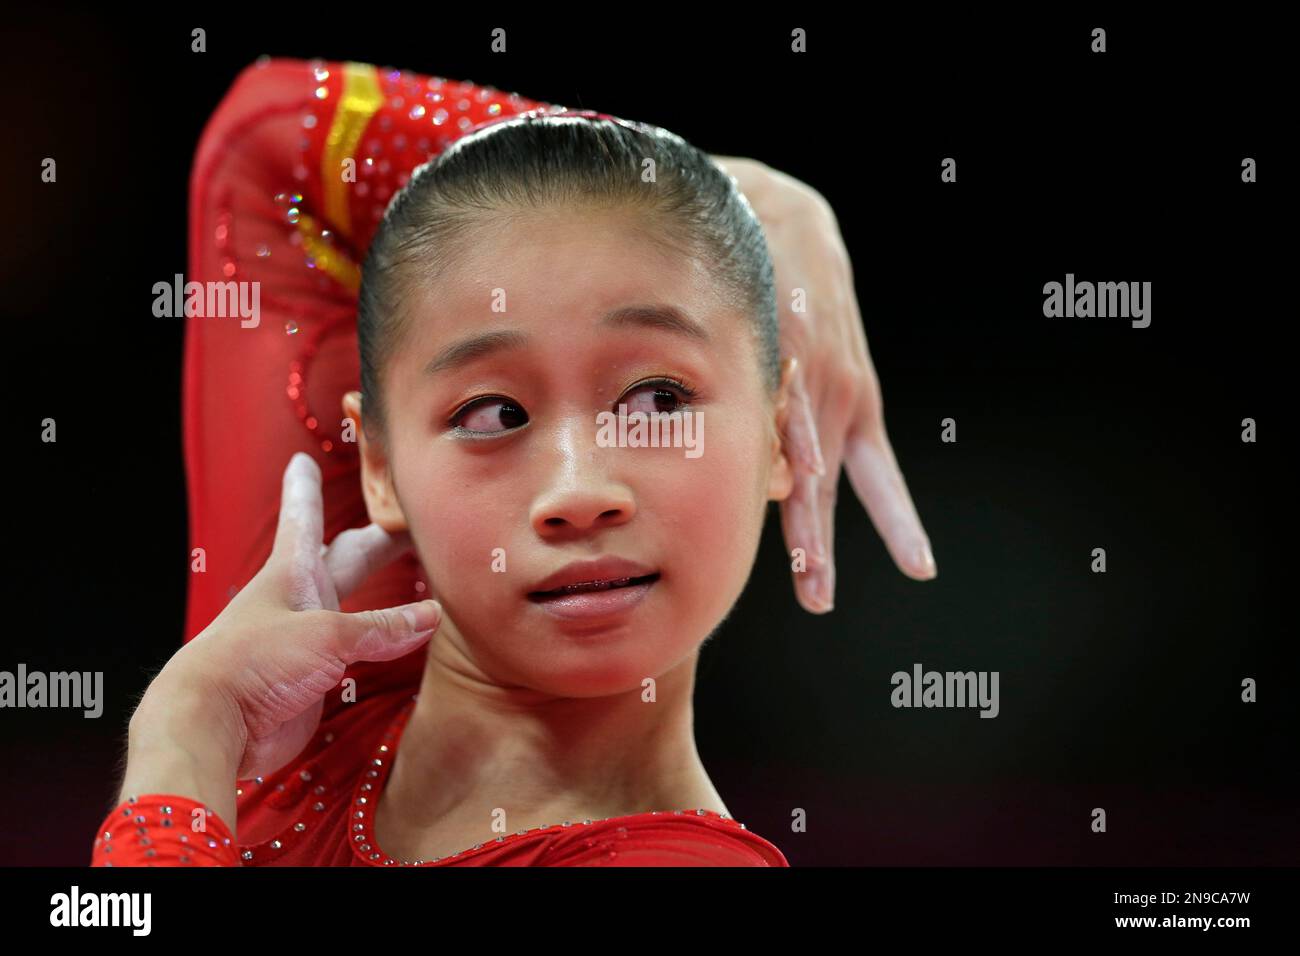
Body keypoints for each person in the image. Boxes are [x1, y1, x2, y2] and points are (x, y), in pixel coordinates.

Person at [92, 57, 934, 867]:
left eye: (657, 401)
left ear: (788, 436)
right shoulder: (304, 688)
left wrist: (184, 738)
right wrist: (713, 189)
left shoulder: (237, 719)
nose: (577, 492)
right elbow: (268, 148)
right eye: (494, 413)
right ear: (377, 467)